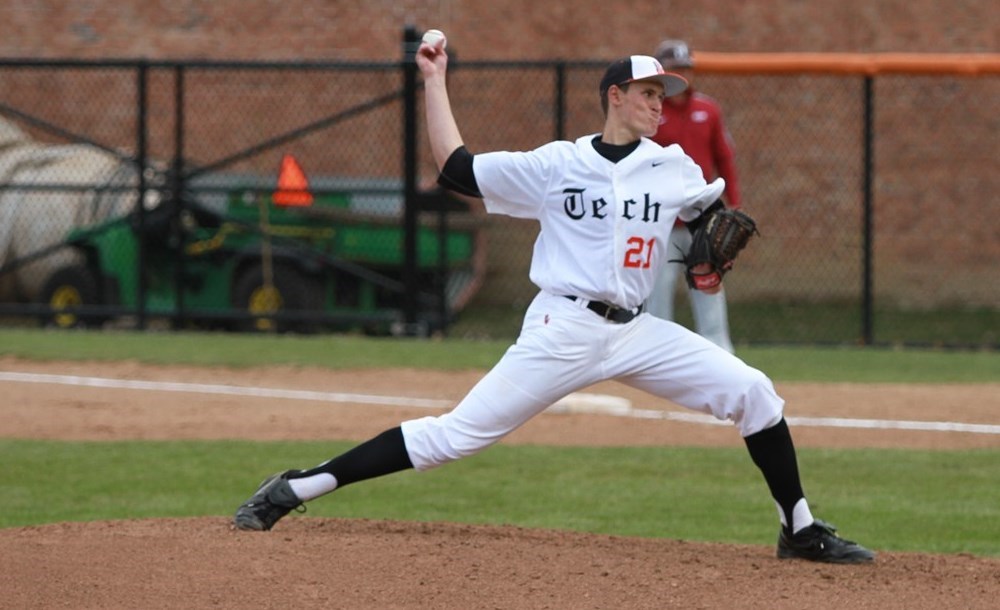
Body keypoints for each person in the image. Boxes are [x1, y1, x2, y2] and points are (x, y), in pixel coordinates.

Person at [232, 37, 875, 565]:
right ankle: (296, 487)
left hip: (637, 331)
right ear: (615, 97)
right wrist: (435, 79)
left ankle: (799, 528)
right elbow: (458, 170)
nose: (660, 105)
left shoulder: (673, 166)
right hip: (562, 326)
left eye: (665, 95)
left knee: (754, 392)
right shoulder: (557, 165)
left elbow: (712, 216)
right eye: (649, 94)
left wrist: (712, 252)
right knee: (454, 437)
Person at [645, 39, 740, 353]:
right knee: (657, 297)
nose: (682, 75)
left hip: (702, 220)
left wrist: (734, 202)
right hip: (662, 221)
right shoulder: (649, 113)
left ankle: (721, 356)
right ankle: (657, 357)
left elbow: (724, 157)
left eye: (686, 68)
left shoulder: (708, 109)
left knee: (710, 292)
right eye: (675, 69)